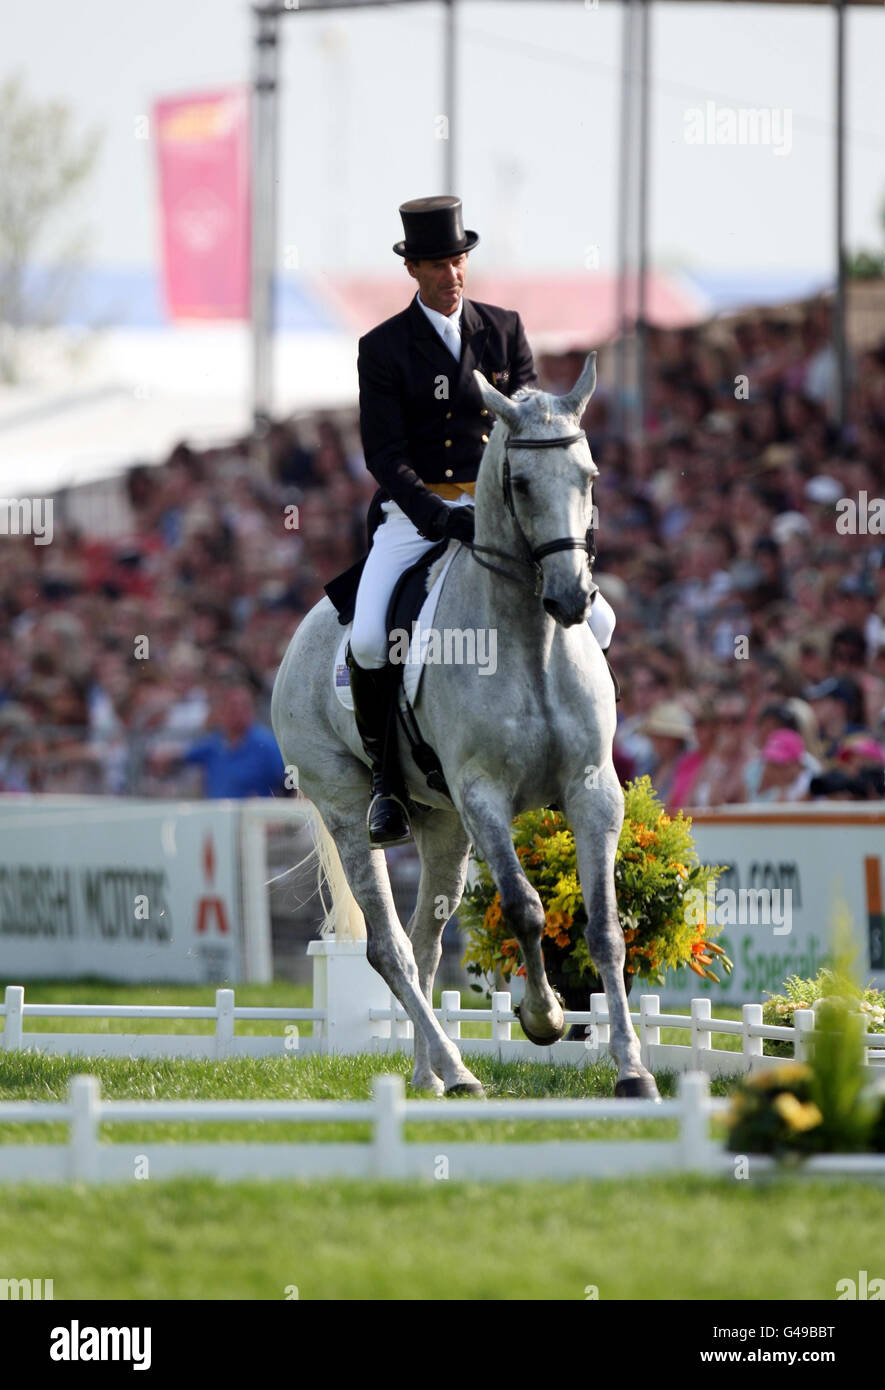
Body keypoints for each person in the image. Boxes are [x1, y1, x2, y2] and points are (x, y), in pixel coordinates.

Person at [348, 194, 616, 847]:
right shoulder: (383, 347)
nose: (451, 274)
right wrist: (438, 515)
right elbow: (384, 454)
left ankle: (587, 754)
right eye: (437, 264)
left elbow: (524, 419)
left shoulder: (502, 328)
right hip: (418, 513)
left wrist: (504, 508)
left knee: (600, 621)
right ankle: (386, 782)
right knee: (366, 637)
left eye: (458, 260)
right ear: (413, 270)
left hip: (501, 506)